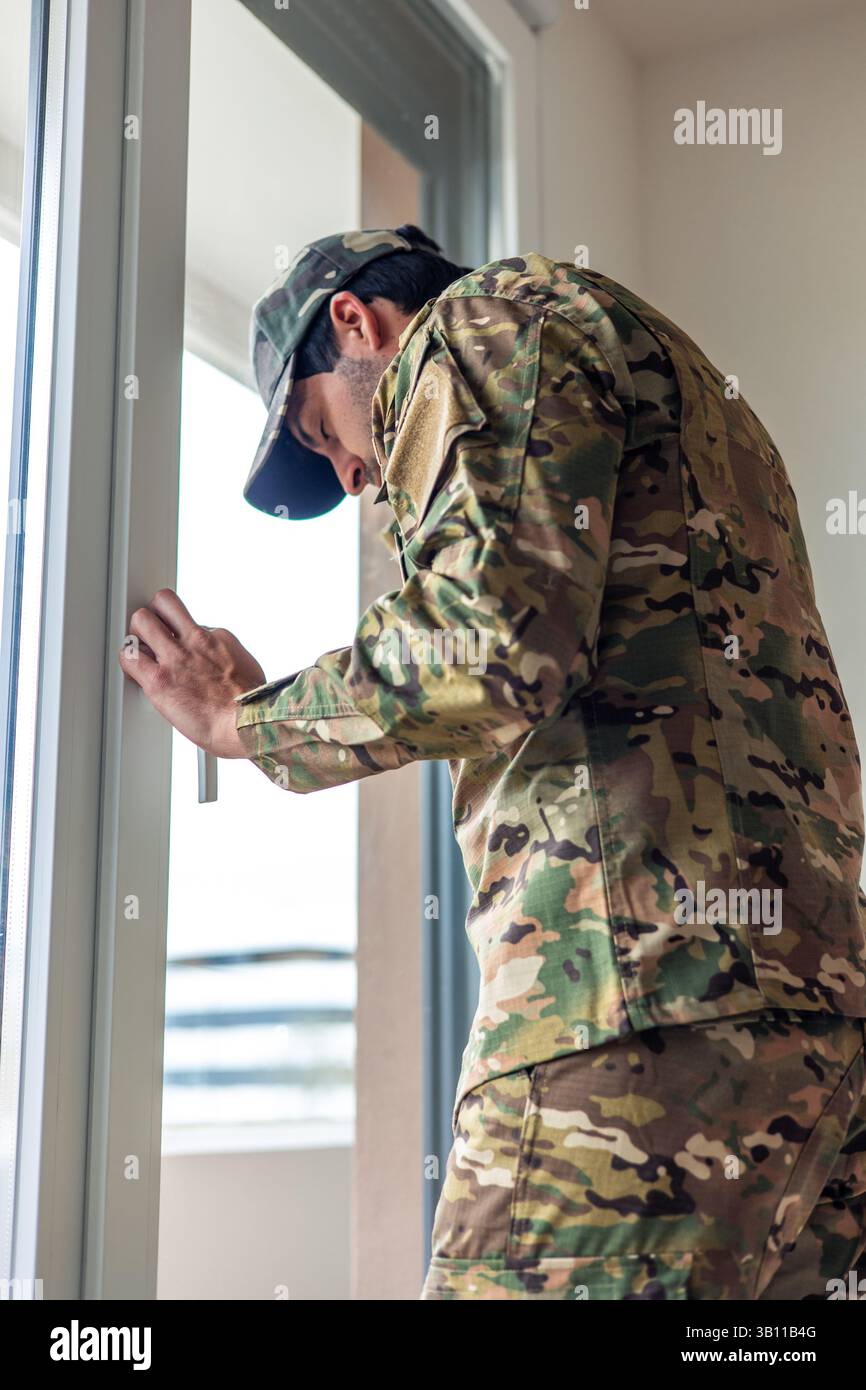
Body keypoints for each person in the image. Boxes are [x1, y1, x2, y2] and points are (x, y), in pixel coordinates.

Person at [119, 225, 866, 1300]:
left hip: (634, 1006)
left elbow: (497, 638)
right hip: (811, 1022)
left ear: (356, 323)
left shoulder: (488, 321)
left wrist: (247, 720)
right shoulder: (698, 396)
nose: (352, 476)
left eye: (317, 432)